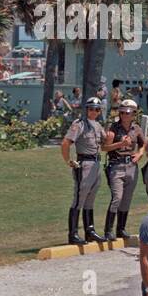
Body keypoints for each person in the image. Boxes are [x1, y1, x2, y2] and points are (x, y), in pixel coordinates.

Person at [61, 96, 108, 245]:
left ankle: (90, 231)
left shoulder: (98, 126)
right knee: (79, 200)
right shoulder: (79, 124)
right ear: (86, 109)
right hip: (84, 163)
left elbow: (105, 143)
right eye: (90, 109)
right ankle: (73, 234)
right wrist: (68, 160)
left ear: (100, 111)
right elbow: (66, 143)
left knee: (90, 199)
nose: (93, 111)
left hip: (96, 163)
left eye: (96, 109)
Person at [103, 98, 146, 240]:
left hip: (131, 166)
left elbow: (143, 145)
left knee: (126, 199)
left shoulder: (136, 128)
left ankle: (121, 229)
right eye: (122, 112)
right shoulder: (113, 128)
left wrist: (139, 154)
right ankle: (108, 230)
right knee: (117, 197)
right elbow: (104, 148)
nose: (125, 115)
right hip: (117, 165)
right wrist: (120, 144)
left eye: (128, 112)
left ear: (134, 114)